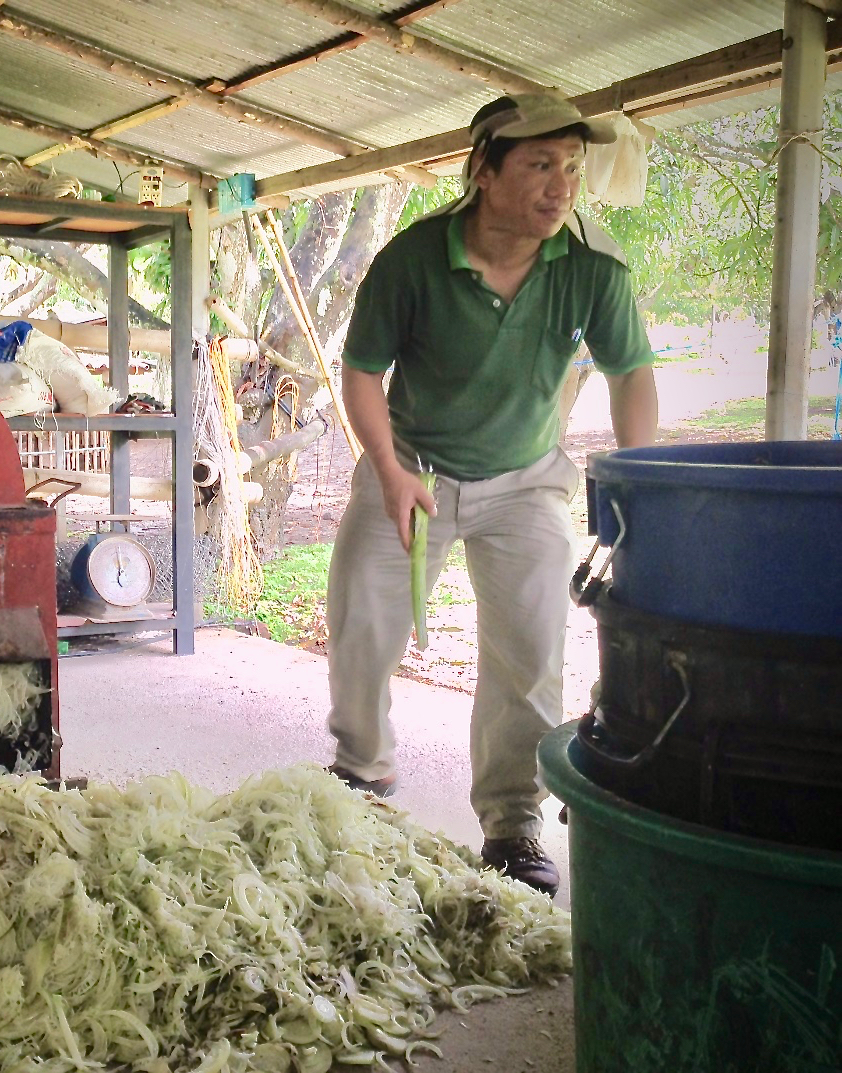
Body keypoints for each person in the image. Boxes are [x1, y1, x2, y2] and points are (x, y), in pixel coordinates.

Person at [326, 93, 659, 896]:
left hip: (526, 478)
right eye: (541, 164)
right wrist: (389, 470)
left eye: (572, 167)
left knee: (531, 654)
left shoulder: (592, 267)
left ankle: (512, 826)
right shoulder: (411, 261)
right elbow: (362, 375)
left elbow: (631, 374)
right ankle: (359, 783)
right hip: (411, 465)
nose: (561, 185)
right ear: (483, 172)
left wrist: (642, 483)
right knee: (363, 622)